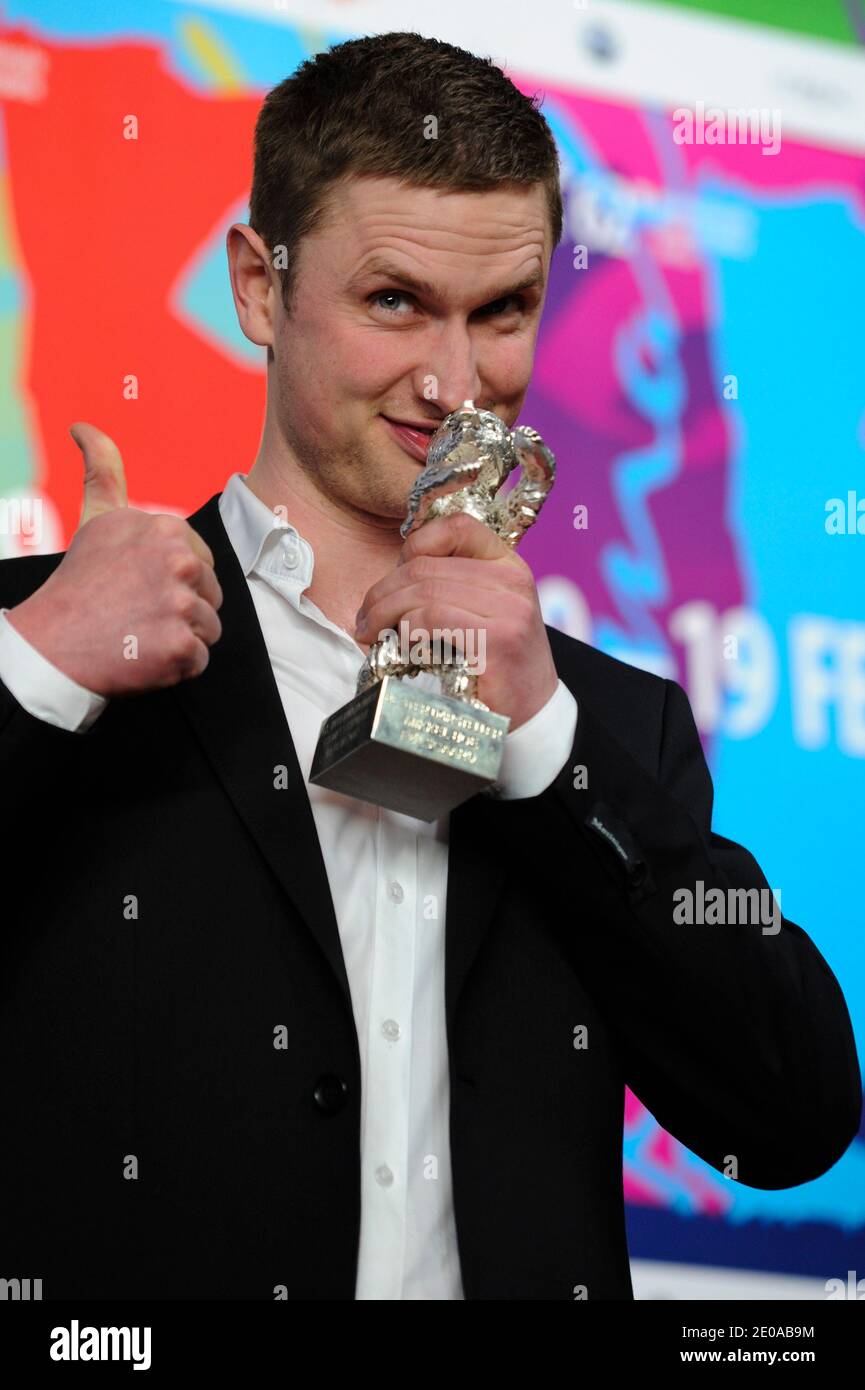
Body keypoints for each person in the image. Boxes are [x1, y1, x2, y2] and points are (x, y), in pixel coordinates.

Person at [0, 31, 859, 1301]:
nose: (454, 383)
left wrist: (548, 745)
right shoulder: (48, 641)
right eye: (394, 300)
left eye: (501, 311)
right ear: (257, 284)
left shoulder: (606, 721)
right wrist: (34, 676)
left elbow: (788, 1116)